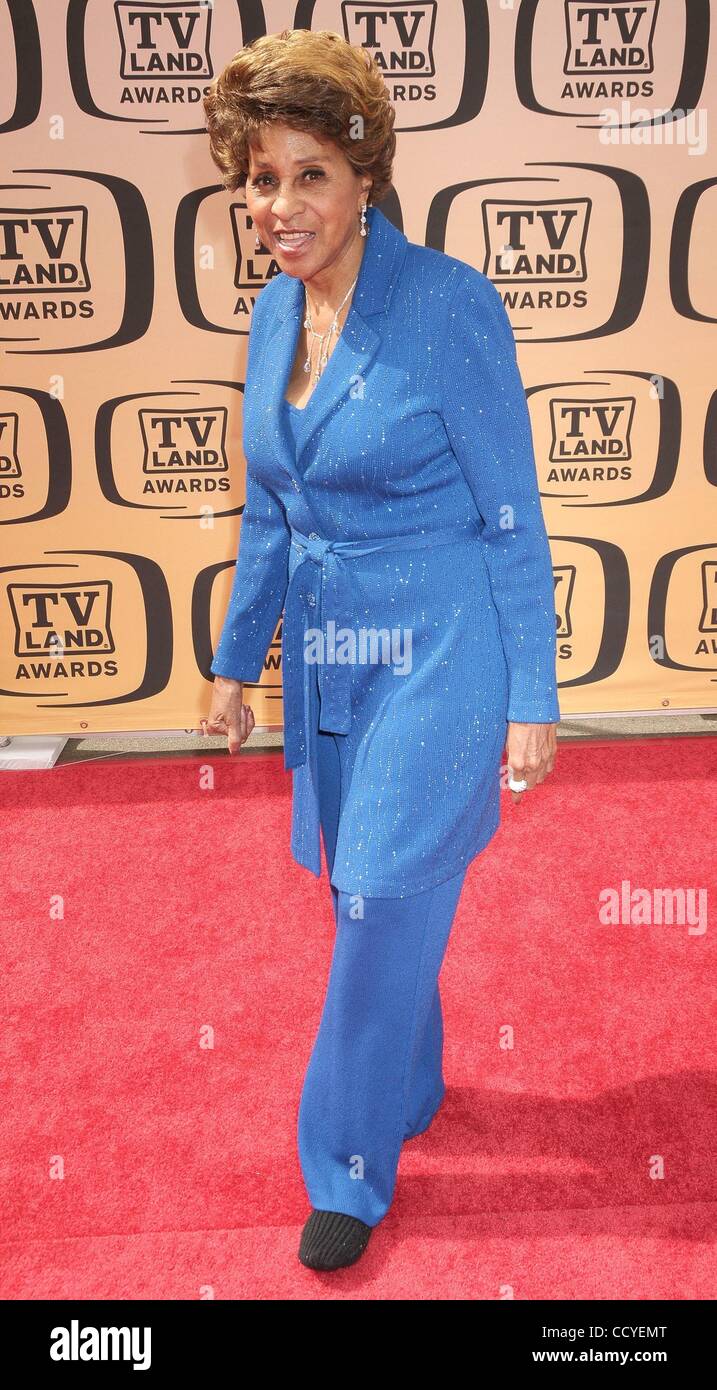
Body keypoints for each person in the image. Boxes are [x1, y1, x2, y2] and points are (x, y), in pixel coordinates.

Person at [198, 28, 559, 1271]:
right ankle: (410, 1083)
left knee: (378, 898)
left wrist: (531, 688)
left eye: (309, 175)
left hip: (443, 651)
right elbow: (268, 507)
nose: (279, 206)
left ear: (365, 177)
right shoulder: (270, 316)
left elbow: (512, 508)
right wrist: (237, 660)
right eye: (259, 178)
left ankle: (346, 1162)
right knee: (368, 890)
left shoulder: (448, 304)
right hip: (332, 661)